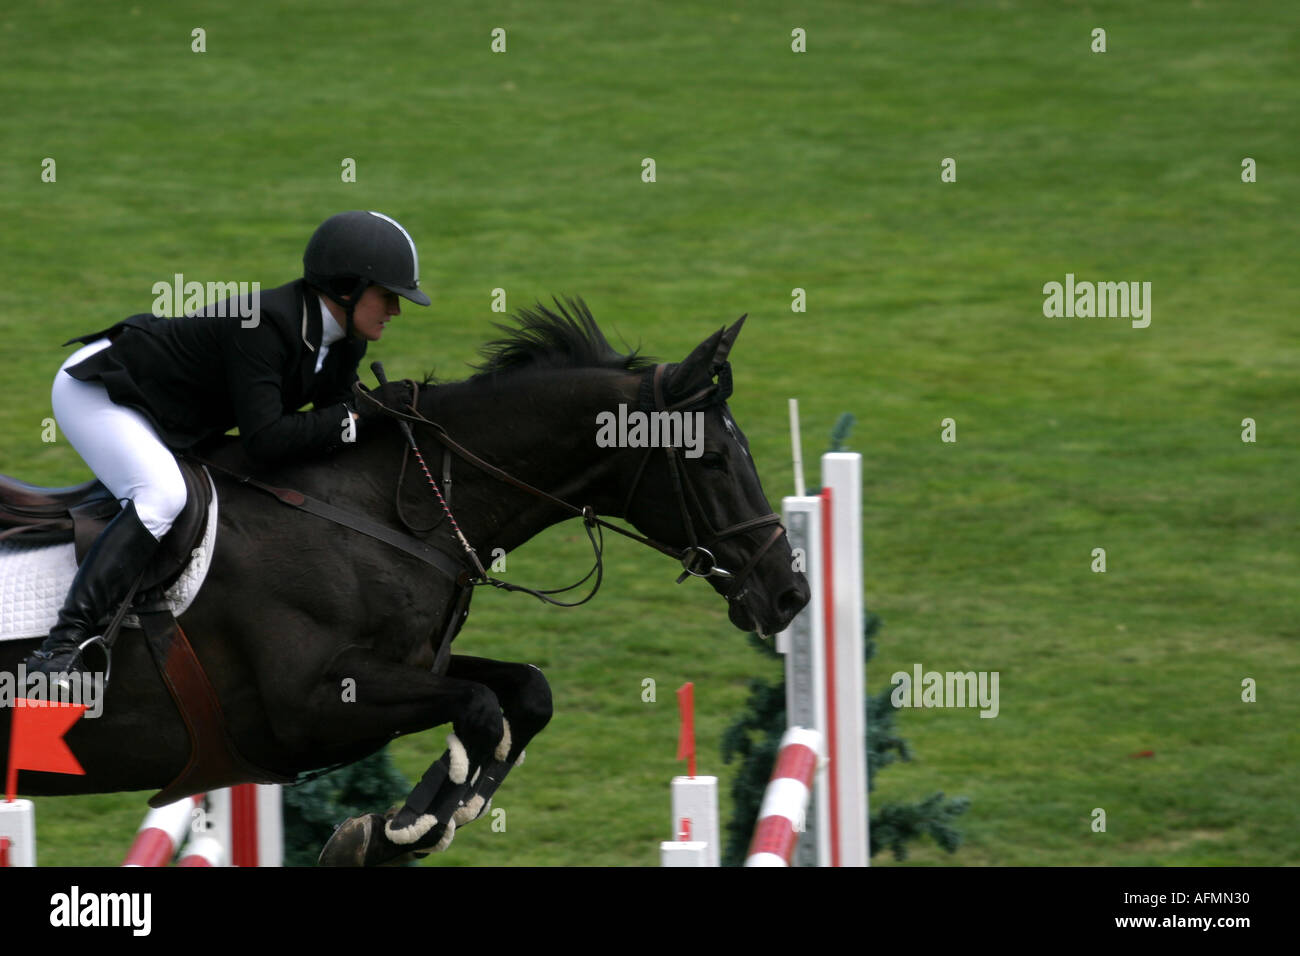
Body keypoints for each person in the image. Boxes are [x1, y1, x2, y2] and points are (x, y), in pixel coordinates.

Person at [23, 210, 430, 687]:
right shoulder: (264, 325)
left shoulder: (345, 341)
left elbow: (333, 428)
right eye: (388, 297)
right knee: (162, 497)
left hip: (174, 413)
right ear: (347, 288)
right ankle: (61, 648)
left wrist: (382, 419)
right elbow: (267, 441)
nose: (396, 311)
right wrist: (361, 414)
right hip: (104, 390)